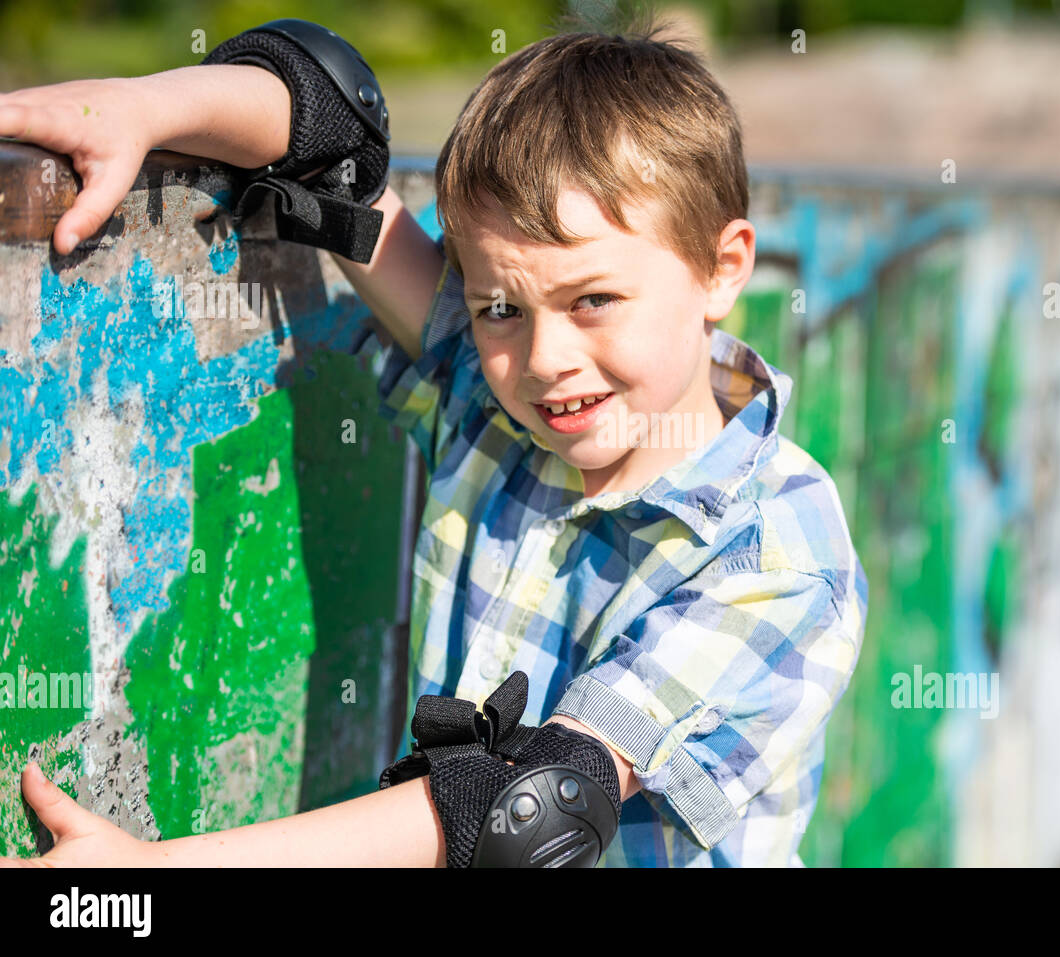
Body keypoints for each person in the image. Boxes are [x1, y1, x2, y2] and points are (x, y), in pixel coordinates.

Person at [0, 12, 868, 867]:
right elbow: (329, 125)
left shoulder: (778, 557)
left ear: (723, 267)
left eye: (593, 300)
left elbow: (535, 810)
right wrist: (140, 109)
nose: (545, 359)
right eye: (500, 308)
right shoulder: (505, 407)